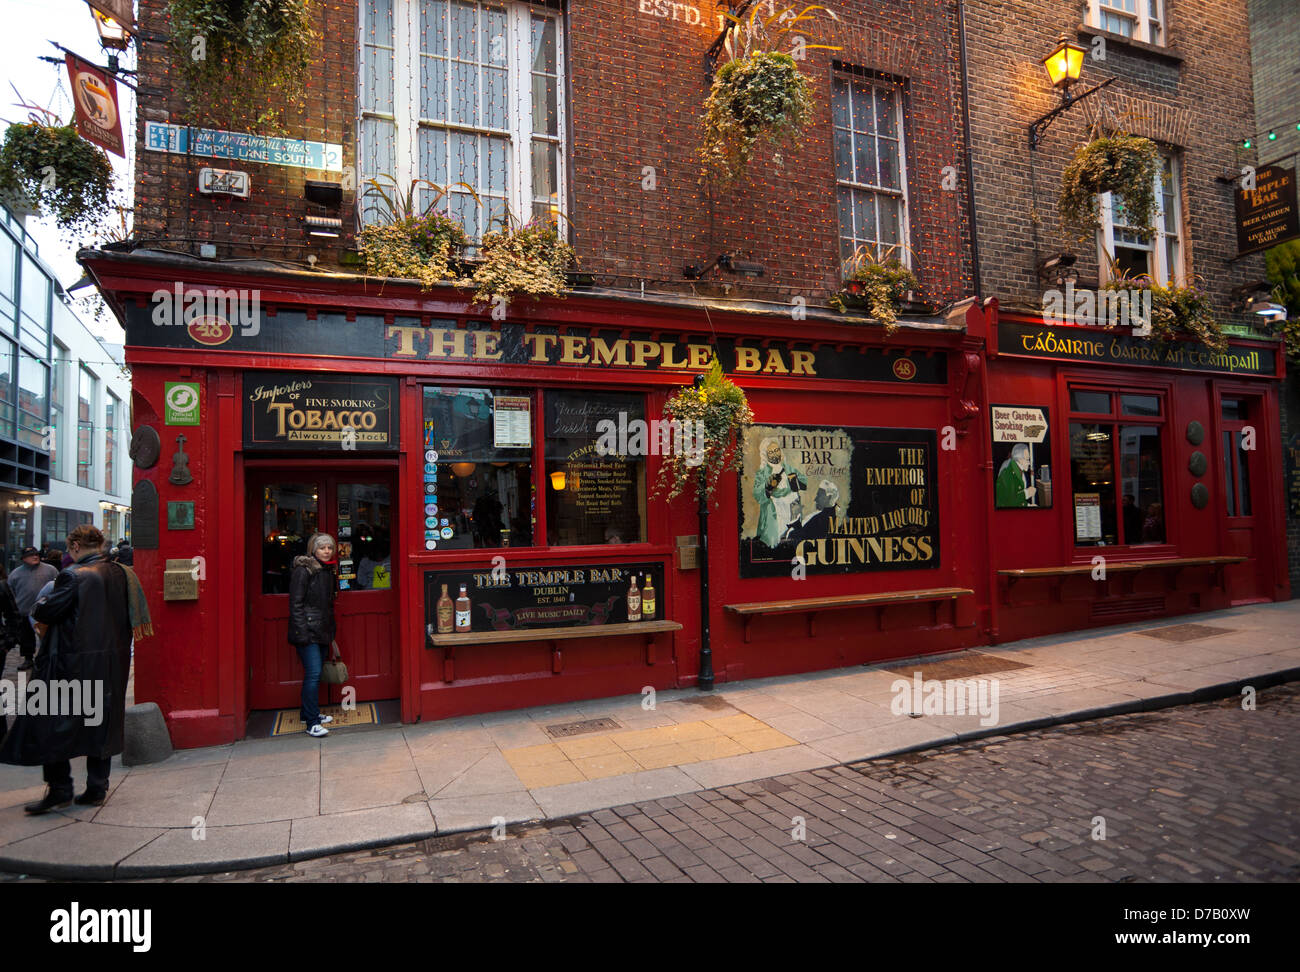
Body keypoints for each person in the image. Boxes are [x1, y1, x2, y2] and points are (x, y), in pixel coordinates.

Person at [0, 525, 147, 813]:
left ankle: (60, 788)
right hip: (108, 664)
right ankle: (96, 786)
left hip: (69, 663)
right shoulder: (121, 573)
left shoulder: (73, 576)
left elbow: (45, 610)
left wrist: (42, 602)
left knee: (48, 725)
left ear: (76, 547)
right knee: (98, 725)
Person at [288, 532, 339, 737]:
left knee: (314, 675)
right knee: (314, 674)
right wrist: (302, 632)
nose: (326, 551)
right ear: (313, 550)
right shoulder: (304, 570)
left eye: (329, 547)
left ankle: (308, 713)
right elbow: (296, 603)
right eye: (322, 548)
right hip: (308, 631)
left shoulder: (327, 570)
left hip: (322, 630)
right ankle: (312, 723)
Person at [8, 546, 57, 673]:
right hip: (24, 610)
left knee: (46, 636)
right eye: (31, 555)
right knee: (26, 637)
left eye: (36, 554)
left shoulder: (50, 570)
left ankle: (46, 657)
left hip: (45, 612)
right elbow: (11, 591)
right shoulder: (15, 574)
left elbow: (58, 586)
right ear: (24, 558)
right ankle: (28, 658)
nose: (35, 557)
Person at [753, 438, 806, 548]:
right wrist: (768, 487)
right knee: (776, 544)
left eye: (777, 450)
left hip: (792, 512)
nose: (775, 454)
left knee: (792, 542)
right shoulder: (762, 473)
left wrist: (796, 482)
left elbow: (804, 482)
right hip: (775, 513)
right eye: (771, 452)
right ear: (765, 455)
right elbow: (758, 494)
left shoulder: (788, 468)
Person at [995, 444, 1036, 508]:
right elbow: (1009, 501)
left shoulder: (1019, 471)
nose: (1029, 463)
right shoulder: (1007, 473)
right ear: (1020, 459)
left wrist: (1028, 505)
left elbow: (1018, 499)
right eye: (1027, 459)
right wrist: (1027, 493)